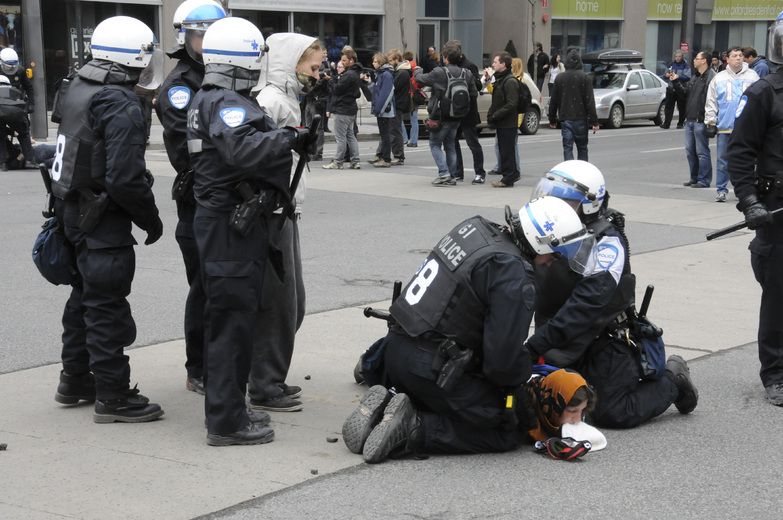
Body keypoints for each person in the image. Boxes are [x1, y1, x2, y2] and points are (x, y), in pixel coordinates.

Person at [341, 196, 594, 463]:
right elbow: (501, 365)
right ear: (542, 243)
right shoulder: (514, 274)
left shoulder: (475, 228)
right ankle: (413, 428)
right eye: (554, 254)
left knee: (468, 392)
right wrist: (524, 381)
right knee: (505, 427)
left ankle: (385, 412)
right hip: (430, 369)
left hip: (393, 351)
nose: (551, 262)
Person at [187, 16, 311, 445]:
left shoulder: (215, 97)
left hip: (227, 224)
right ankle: (226, 422)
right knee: (231, 325)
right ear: (242, 59)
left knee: (231, 321)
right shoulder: (224, 102)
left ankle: (231, 413)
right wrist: (290, 138)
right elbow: (243, 148)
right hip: (230, 227)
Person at [49, 16, 165, 424]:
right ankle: (113, 396)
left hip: (70, 210)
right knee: (106, 307)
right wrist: (150, 218)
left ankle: (75, 379)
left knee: (83, 298)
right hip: (102, 217)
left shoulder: (77, 85)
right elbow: (124, 177)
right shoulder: (119, 101)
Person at [525, 160, 699, 428]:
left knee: (610, 413)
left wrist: (537, 344)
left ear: (590, 204)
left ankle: (673, 379)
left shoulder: (607, 242)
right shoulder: (545, 230)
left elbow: (587, 304)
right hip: (559, 338)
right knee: (546, 403)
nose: (553, 208)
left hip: (603, 340)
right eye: (549, 198)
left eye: (564, 202)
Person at [154, 0, 226, 398]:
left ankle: (222, 362)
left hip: (221, 197)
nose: (208, 42)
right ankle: (198, 367)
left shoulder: (217, 77)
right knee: (204, 287)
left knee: (224, 287)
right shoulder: (181, 84)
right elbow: (193, 145)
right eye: (201, 34)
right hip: (198, 198)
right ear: (187, 36)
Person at [249, 33, 323, 412]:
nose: (319, 71)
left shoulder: (288, 98)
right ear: (291, 62)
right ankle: (263, 384)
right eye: (313, 64)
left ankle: (266, 377)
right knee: (279, 304)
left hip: (285, 209)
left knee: (292, 304)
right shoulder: (270, 101)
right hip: (274, 212)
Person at [727, 11, 783, 406]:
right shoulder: (765, 93)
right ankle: (776, 372)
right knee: (778, 291)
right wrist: (749, 201)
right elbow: (740, 151)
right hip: (776, 207)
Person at [414, 42, 478, 186]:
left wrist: (417, 69)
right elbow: (473, 93)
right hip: (457, 115)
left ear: (446, 58)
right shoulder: (466, 73)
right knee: (450, 145)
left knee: (434, 144)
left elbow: (420, 79)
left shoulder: (439, 72)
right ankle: (452, 175)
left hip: (441, 115)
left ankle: (444, 174)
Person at [705, 46, 760, 203]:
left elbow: (759, 100)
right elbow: (711, 101)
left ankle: (744, 190)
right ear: (727, 59)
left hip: (746, 128)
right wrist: (710, 121)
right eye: (734, 55)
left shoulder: (753, 76)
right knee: (723, 160)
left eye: (740, 55)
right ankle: (721, 190)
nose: (738, 58)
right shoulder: (719, 78)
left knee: (747, 161)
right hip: (725, 126)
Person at [548, 49, 598, 162]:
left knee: (567, 148)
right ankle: (582, 173)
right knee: (582, 148)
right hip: (581, 118)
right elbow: (590, 101)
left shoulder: (560, 78)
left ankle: (569, 172)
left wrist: (552, 119)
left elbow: (554, 101)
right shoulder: (585, 78)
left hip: (566, 118)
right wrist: (594, 122)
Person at [447, 40, 485, 185]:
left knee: (473, 143)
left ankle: (480, 173)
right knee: (453, 142)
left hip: (468, 112)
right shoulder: (448, 67)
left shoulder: (469, 66)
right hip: (453, 112)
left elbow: (478, 86)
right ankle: (458, 172)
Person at [676, 51, 716, 188]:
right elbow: (684, 92)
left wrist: (711, 121)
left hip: (701, 120)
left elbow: (713, 101)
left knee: (702, 152)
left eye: (697, 58)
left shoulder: (711, 78)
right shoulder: (696, 77)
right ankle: (694, 177)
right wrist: (675, 81)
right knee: (690, 150)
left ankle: (704, 180)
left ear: (704, 61)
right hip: (690, 119)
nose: (694, 60)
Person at [527, 368, 595, 443]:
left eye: (582, 410)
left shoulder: (582, 415)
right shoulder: (525, 414)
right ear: (553, 407)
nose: (578, 419)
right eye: (572, 411)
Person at [483, 51, 519, 188]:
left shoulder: (509, 81)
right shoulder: (500, 79)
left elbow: (512, 104)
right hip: (503, 122)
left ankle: (509, 177)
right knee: (503, 150)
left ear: (503, 64)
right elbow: (492, 91)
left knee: (507, 151)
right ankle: (509, 175)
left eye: (496, 62)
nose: (493, 64)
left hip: (508, 123)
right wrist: (488, 78)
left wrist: (496, 114)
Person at [322, 46, 361, 170]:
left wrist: (331, 81)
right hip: (350, 110)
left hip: (343, 109)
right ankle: (355, 161)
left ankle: (338, 161)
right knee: (350, 136)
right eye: (342, 60)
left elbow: (337, 90)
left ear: (351, 60)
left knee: (341, 137)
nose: (342, 63)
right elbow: (356, 93)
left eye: (344, 60)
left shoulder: (349, 74)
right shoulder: (354, 73)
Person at [0, 47, 34, 169]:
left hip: (16, 107)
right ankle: (3, 162)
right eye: (8, 66)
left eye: (12, 66)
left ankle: (29, 160)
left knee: (24, 132)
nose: (10, 69)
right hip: (4, 108)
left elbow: (29, 87)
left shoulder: (20, 71)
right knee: (1, 134)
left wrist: (31, 105)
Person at [366, 53, 395, 168]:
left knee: (385, 135)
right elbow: (377, 92)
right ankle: (383, 157)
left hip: (384, 110)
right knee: (384, 135)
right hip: (382, 109)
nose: (373, 63)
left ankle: (386, 159)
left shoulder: (386, 75)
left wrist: (379, 109)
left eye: (375, 61)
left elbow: (386, 94)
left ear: (381, 63)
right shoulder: (381, 74)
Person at [302, 48, 330, 160]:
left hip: (316, 100)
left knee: (318, 128)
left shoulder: (324, 67)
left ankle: (318, 152)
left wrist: (311, 81)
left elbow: (317, 83)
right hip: (308, 100)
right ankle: (310, 151)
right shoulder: (310, 66)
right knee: (308, 127)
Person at [661, 50, 691, 129]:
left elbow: (688, 77)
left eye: (679, 56)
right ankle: (666, 123)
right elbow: (665, 74)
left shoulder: (685, 65)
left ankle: (680, 123)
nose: (677, 58)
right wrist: (667, 75)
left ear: (682, 57)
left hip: (681, 88)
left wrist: (678, 76)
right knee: (668, 107)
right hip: (671, 88)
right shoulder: (671, 64)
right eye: (676, 56)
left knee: (681, 107)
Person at [402, 50, 419, 148]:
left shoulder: (406, 67)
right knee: (414, 119)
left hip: (407, 95)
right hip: (415, 95)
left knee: (398, 117)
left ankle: (404, 138)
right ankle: (414, 140)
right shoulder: (416, 68)